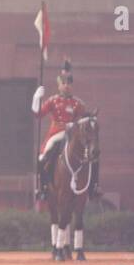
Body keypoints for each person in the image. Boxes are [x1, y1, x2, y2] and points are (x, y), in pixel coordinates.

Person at [32, 57, 97, 204]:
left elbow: (83, 121)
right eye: (64, 83)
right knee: (43, 158)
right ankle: (43, 188)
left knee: (93, 157)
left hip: (73, 134)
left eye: (69, 83)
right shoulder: (53, 101)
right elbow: (38, 114)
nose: (66, 86)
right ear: (59, 85)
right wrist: (36, 98)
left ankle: (93, 187)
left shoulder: (78, 104)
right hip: (56, 134)